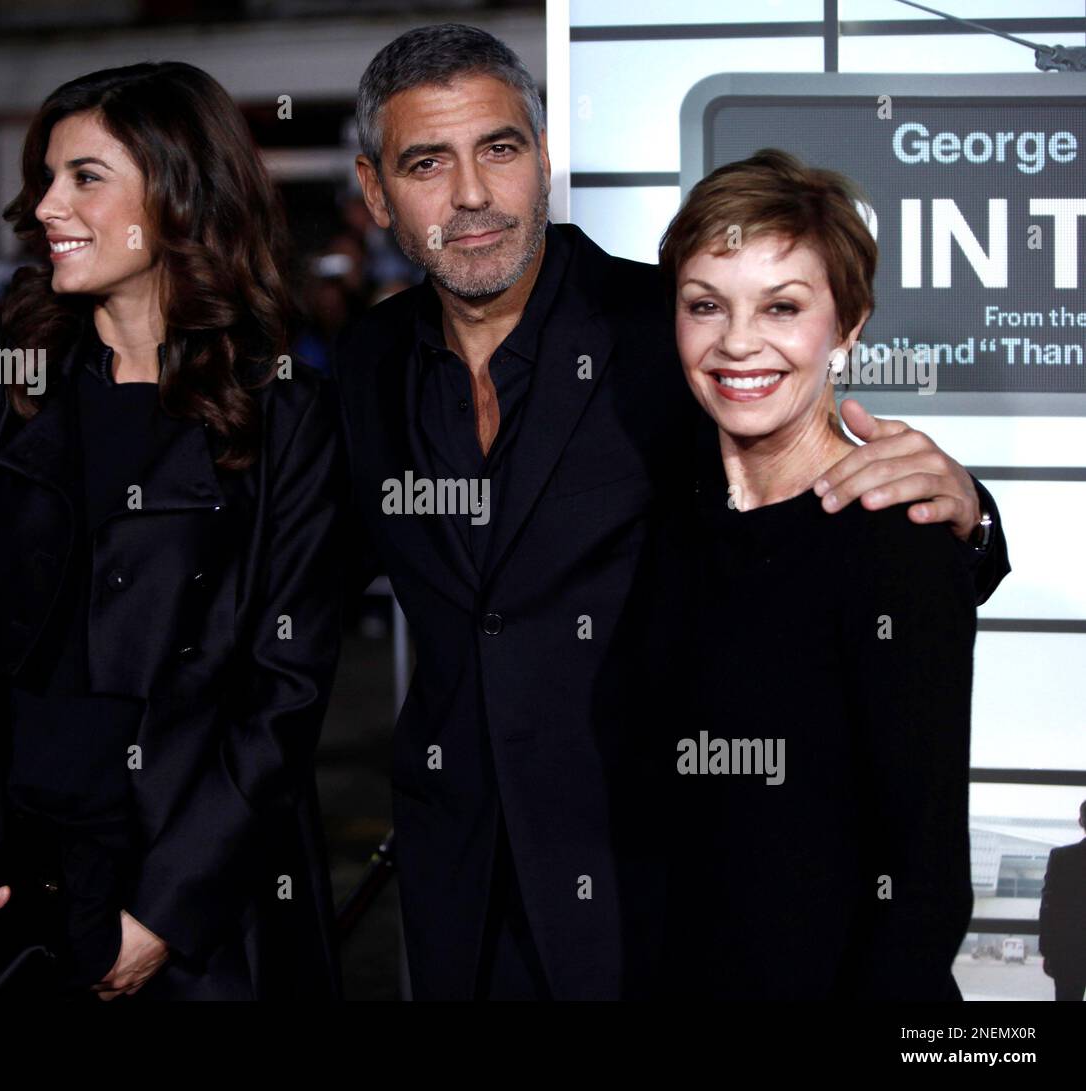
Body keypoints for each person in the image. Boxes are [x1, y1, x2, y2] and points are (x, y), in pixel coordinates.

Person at [334, 23, 1009, 1000]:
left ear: (543, 159)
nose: (472, 194)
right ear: (375, 189)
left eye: (500, 149)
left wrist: (969, 514)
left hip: (643, 897)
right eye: (427, 162)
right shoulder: (368, 362)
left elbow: (810, 527)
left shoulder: (665, 324)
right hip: (456, 891)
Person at [0, 62, 343, 1001]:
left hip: (197, 909)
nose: (48, 204)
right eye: (46, 176)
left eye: (85, 176)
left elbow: (282, 691)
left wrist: (166, 913)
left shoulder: (284, 414)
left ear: (178, 193)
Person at [657, 149, 980, 1000]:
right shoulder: (666, 513)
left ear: (848, 328)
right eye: (705, 306)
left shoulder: (898, 537)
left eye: (782, 306)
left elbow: (927, 885)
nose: (737, 341)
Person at [1040, 800, 1086, 1000]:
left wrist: (1048, 949)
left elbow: (1049, 907)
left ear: (1081, 821)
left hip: (1069, 951)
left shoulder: (1062, 858)